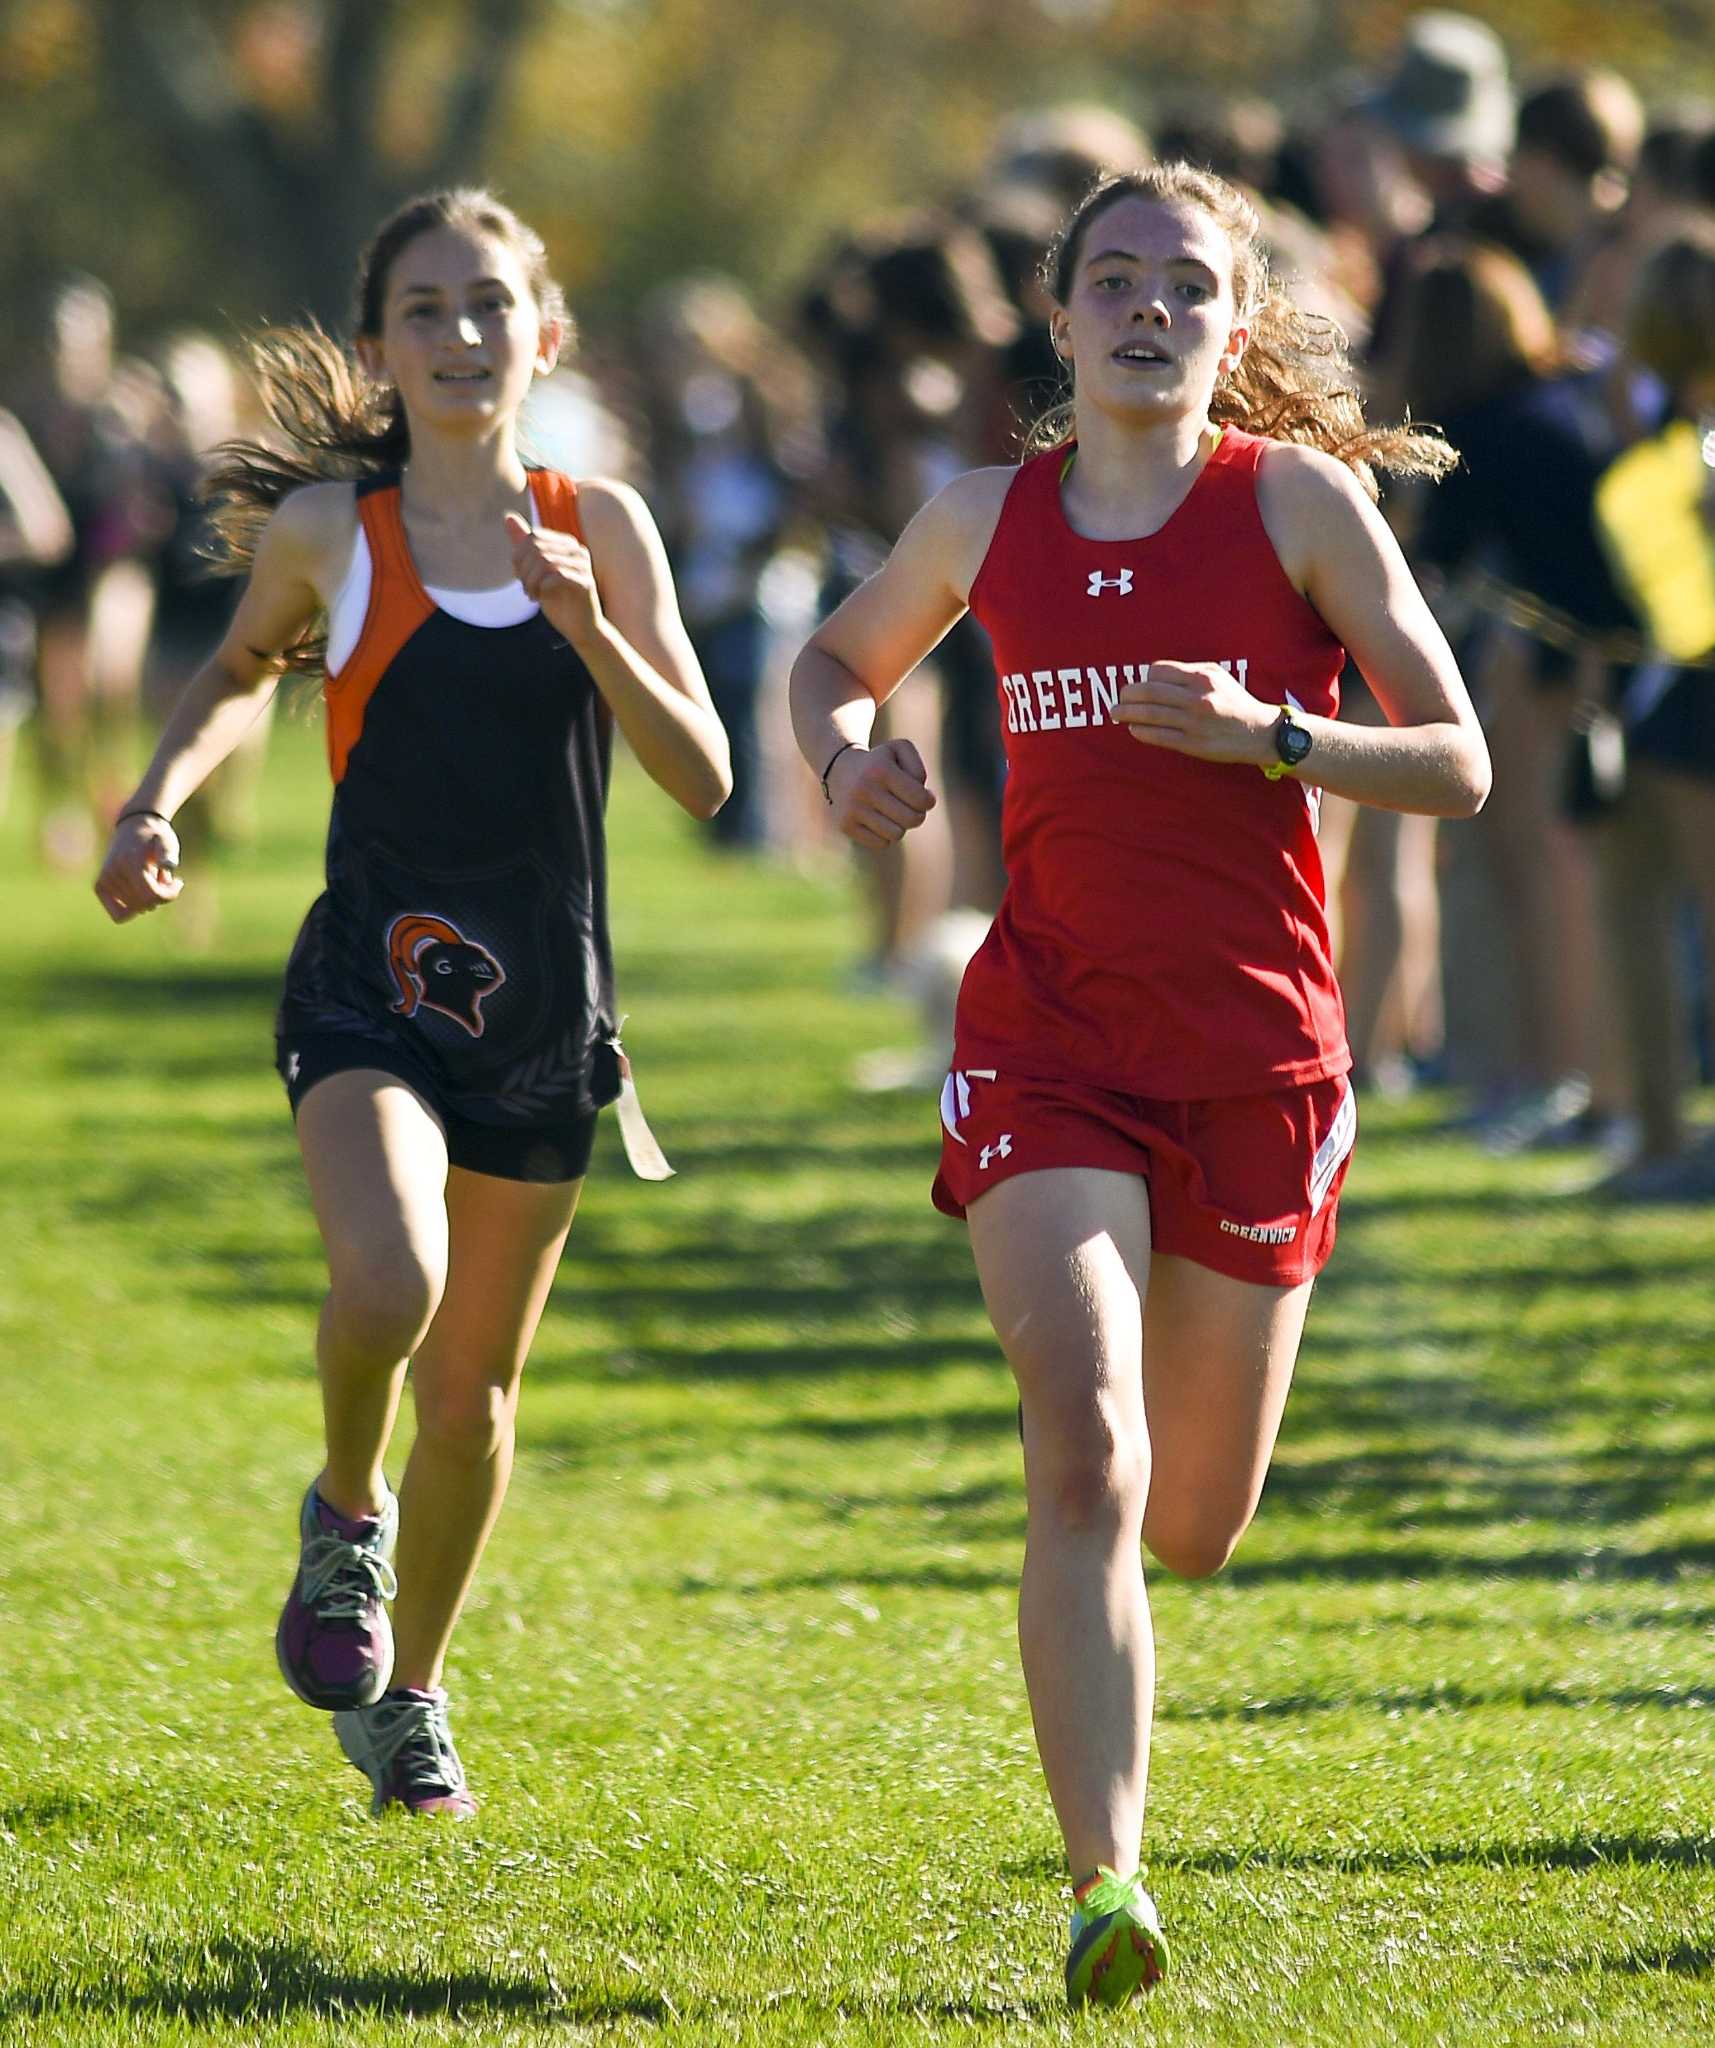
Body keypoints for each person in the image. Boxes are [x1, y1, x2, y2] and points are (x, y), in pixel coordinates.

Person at [789, 164, 1489, 2008]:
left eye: (1186, 284)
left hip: (1259, 1060)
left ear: (1233, 326)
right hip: (1049, 1042)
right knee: (1085, 1444)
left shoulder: (1299, 510)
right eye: (1115, 279)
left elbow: (1459, 760)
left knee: (1194, 1520)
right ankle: (1108, 1884)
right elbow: (834, 661)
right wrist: (850, 755)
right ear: (1060, 312)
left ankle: (1117, 1804)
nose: (1149, 309)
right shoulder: (985, 515)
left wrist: (1277, 734)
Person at [93, 187, 731, 1816]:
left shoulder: (612, 528)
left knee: (478, 1399)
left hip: (544, 1025)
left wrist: (590, 620)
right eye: (426, 310)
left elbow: (706, 777)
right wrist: (157, 802)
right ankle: (342, 1519)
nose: (461, 336)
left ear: (547, 334)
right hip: (369, 985)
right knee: (389, 1281)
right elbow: (244, 668)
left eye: (490, 305)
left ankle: (413, 1698)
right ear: (379, 343)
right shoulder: (335, 532)